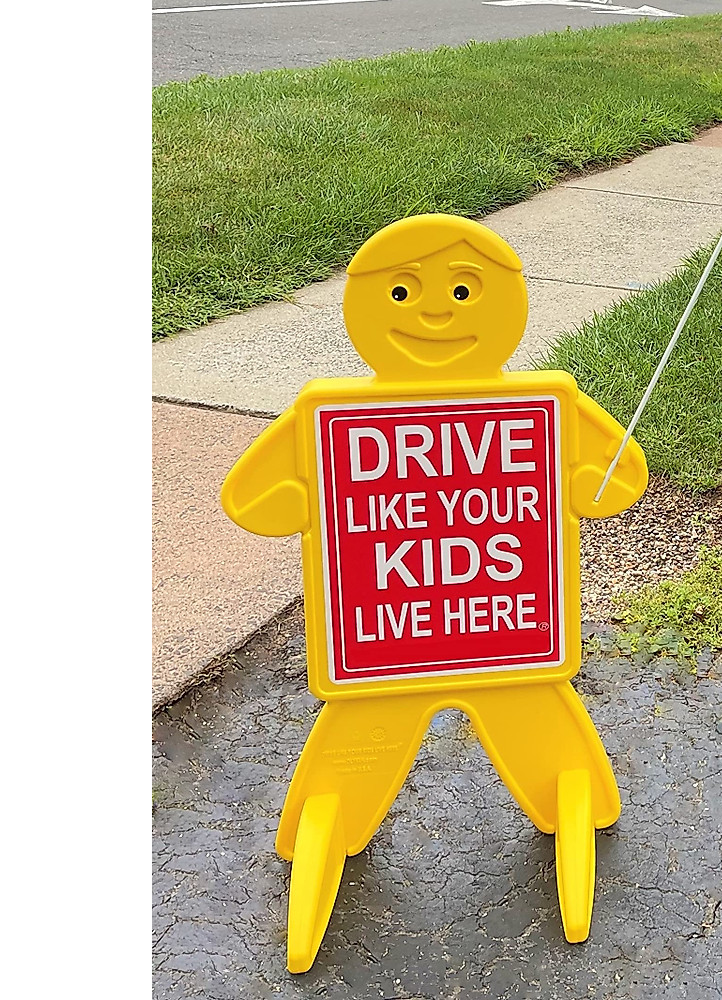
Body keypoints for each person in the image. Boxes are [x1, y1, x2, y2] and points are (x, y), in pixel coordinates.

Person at [222, 214, 648, 973]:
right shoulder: (333, 418)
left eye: (461, 290)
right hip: (386, 651)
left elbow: (621, 479)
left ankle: (565, 800)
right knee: (360, 747)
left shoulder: (539, 409)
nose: (436, 313)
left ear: (503, 304)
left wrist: (579, 476)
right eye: (403, 291)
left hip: (511, 644)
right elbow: (253, 500)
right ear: (366, 304)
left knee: (543, 731)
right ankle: (335, 820)